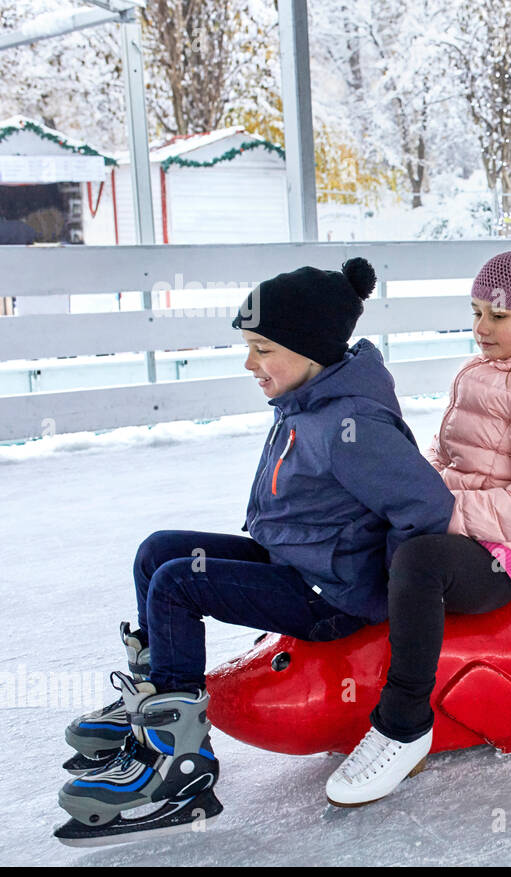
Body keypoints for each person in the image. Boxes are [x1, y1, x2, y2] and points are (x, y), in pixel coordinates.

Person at [56, 258, 455, 843]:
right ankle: (154, 703)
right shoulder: (309, 396)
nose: (250, 363)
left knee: (177, 584)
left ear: (310, 349)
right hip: (295, 562)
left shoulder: (352, 421)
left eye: (263, 348)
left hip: (330, 595)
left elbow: (424, 508)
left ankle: (179, 764)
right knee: (159, 552)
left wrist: (376, 592)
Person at [325, 248, 511, 807]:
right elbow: (449, 461)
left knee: (418, 561)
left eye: (498, 316)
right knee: (359, 516)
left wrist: (437, 507)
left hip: (500, 557)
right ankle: (325, 657)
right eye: (475, 312)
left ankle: (404, 726)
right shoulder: (484, 370)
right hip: (460, 527)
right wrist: (405, 485)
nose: (481, 328)